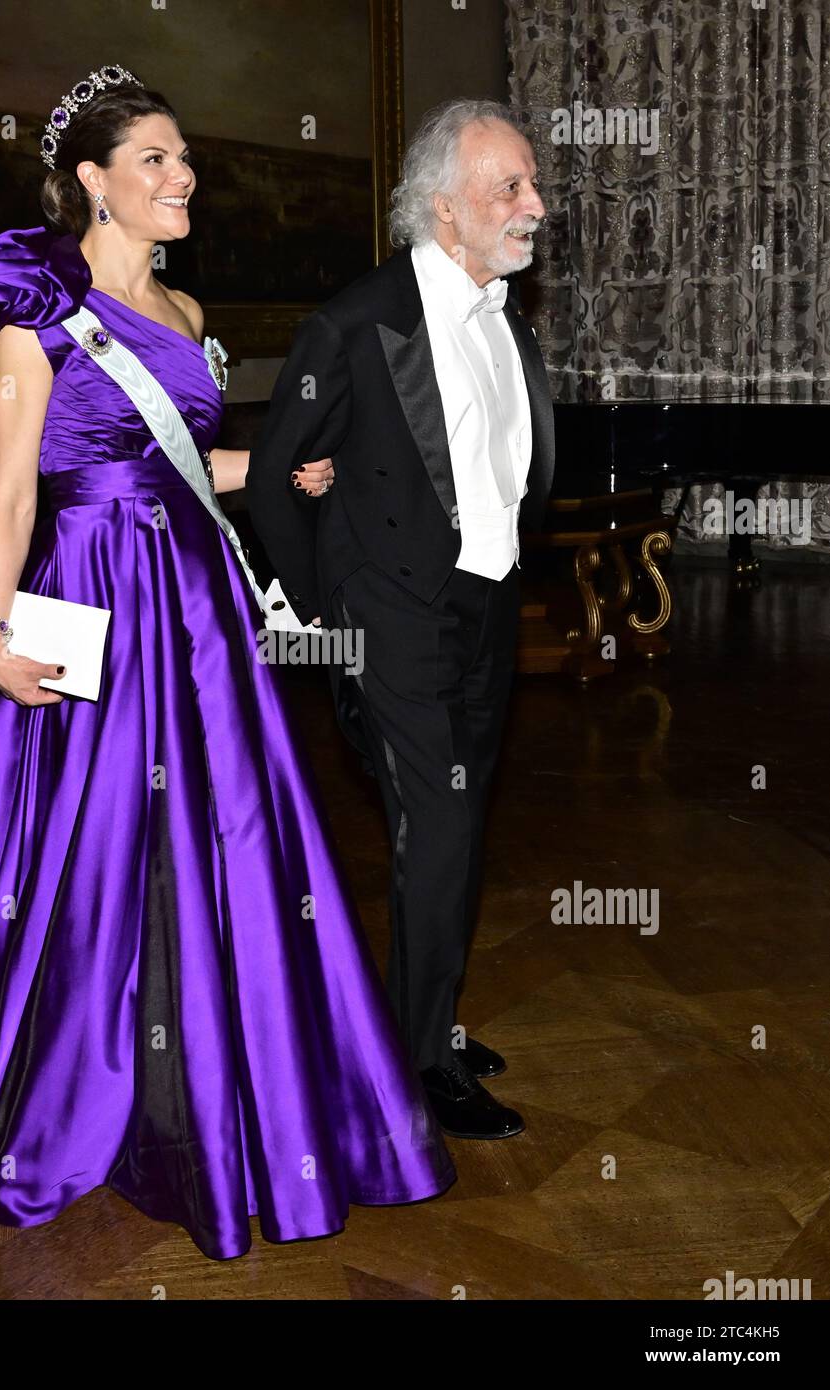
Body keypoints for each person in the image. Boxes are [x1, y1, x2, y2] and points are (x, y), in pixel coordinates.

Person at [0, 66, 456, 1261]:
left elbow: (188, 465)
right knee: (79, 835)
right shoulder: (37, 319)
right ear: (94, 182)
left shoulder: (185, 317)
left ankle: (216, 1089)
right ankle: (56, 1094)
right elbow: (13, 493)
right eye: (158, 162)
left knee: (222, 832)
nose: (186, 178)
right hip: (85, 593)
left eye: (185, 160)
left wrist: (277, 471)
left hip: (194, 602)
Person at [246, 99, 554, 1141]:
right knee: (442, 830)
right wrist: (340, 617)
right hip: (392, 621)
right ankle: (419, 1067)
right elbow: (275, 488)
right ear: (443, 208)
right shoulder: (353, 323)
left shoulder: (504, 310)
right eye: (508, 187)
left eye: (530, 181)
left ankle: (431, 1018)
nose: (535, 205)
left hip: (486, 608)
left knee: (452, 835)